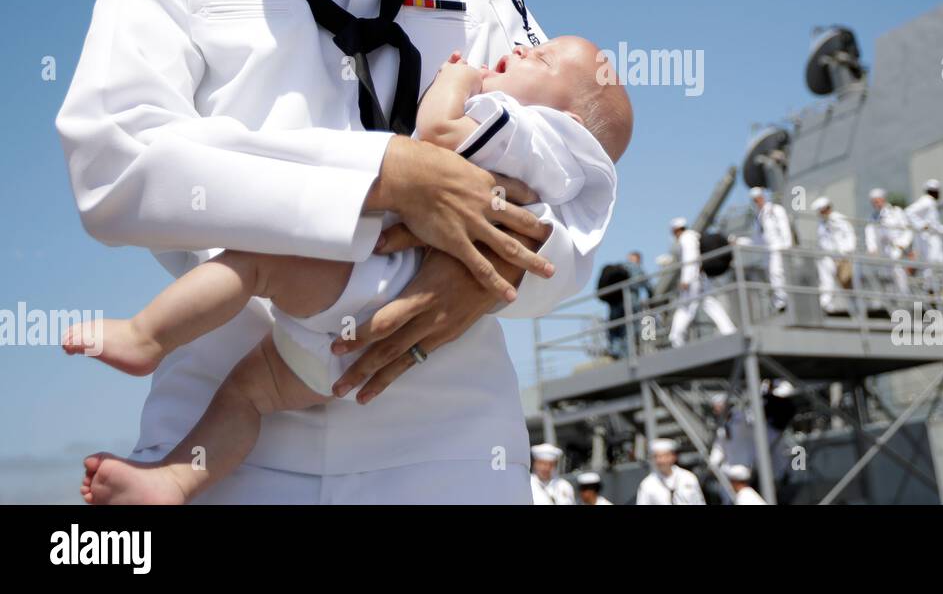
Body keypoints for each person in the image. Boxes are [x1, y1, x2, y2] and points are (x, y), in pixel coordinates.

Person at [55, 0, 594, 504]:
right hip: (229, 428)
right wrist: (383, 174)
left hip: (449, 441)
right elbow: (117, 163)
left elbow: (572, 171)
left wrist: (484, 278)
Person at [68, 42, 628, 503]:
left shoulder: (525, 129)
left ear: (569, 121)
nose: (523, 47)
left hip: (373, 277)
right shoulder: (563, 171)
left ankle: (147, 339)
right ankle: (171, 479)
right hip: (369, 353)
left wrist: (454, 79)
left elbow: (437, 135)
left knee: (256, 261)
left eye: (541, 57)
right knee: (248, 394)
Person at [668, 218, 736, 347]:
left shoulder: (685, 238)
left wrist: (685, 280)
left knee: (685, 307)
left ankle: (676, 338)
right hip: (701, 277)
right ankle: (729, 330)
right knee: (709, 303)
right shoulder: (695, 236)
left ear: (677, 230)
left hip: (692, 279)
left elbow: (689, 259)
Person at [864, 188, 913, 300]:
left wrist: (903, 243)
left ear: (883, 199)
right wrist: (872, 248)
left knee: (897, 269)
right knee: (886, 273)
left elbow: (908, 229)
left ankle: (904, 295)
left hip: (898, 247)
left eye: (878, 201)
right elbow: (870, 234)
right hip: (884, 249)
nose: (876, 204)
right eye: (874, 202)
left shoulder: (896, 212)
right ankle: (893, 297)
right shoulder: (873, 218)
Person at [751, 188, 793, 312]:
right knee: (771, 275)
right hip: (767, 250)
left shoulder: (776, 210)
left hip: (778, 247)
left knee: (776, 273)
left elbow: (784, 228)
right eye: (755, 200)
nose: (758, 201)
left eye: (759, 198)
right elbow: (757, 239)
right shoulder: (759, 217)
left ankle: (782, 301)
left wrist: (787, 246)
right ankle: (778, 301)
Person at [813, 196, 856, 316]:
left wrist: (846, 253)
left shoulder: (839, 219)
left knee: (845, 281)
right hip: (828, 256)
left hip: (841, 255)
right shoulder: (821, 223)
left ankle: (854, 307)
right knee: (826, 280)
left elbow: (849, 235)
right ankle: (826, 304)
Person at [905, 179, 943, 296]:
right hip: (929, 239)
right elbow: (909, 212)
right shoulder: (927, 201)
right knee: (932, 262)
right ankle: (930, 289)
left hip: (933, 237)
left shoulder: (931, 203)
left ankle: (934, 288)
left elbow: (934, 224)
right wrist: (922, 225)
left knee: (938, 262)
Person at [636, 439, 705, 504]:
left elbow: (699, 502)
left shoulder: (688, 477)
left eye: (664, 456)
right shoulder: (647, 484)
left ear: (673, 457)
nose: (661, 461)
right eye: (656, 457)